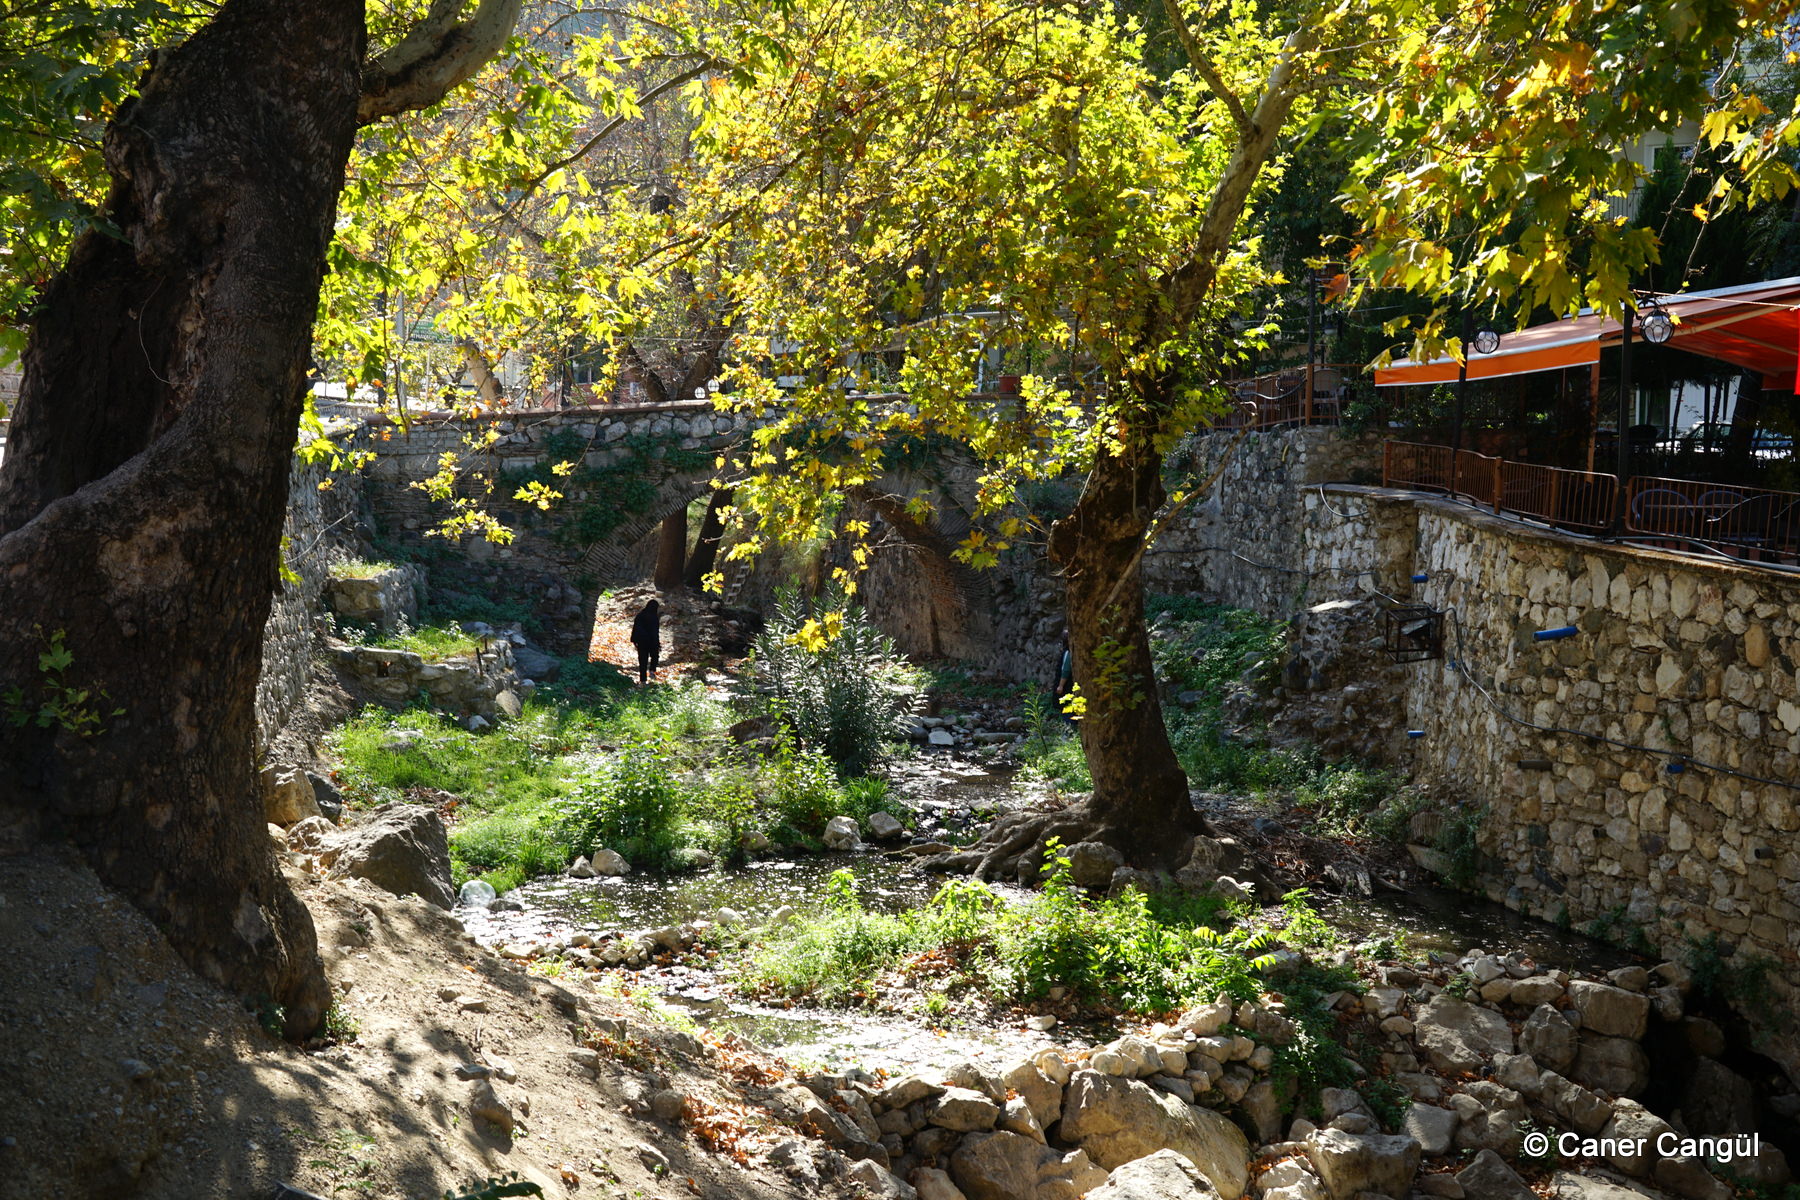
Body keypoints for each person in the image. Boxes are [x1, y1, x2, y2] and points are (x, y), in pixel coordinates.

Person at [629, 598, 661, 685]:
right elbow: (655, 632)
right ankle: (652, 671)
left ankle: (643, 680)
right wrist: (657, 643)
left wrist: (634, 640)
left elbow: (635, 628)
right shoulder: (654, 617)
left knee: (643, 661)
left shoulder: (640, 615)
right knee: (655, 656)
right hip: (651, 641)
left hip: (641, 642)